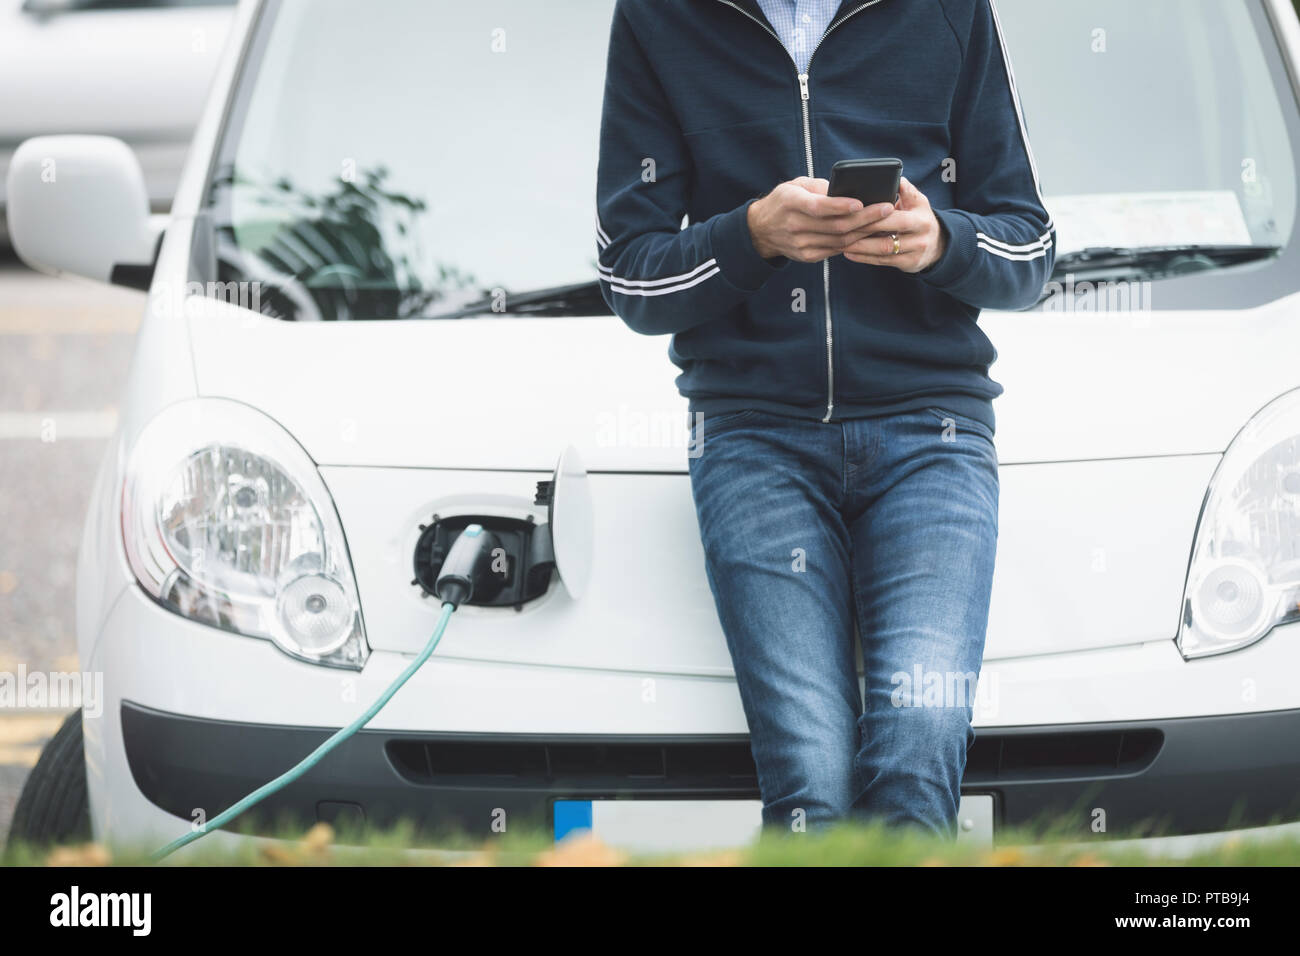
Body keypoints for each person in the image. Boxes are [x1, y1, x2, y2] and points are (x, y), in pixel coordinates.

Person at [595, 0, 1054, 837]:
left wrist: (941, 242)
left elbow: (1030, 247)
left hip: (933, 436)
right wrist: (752, 237)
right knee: (810, 785)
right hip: (752, 438)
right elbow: (630, 274)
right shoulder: (657, 17)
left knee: (916, 753)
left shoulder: (950, 11)